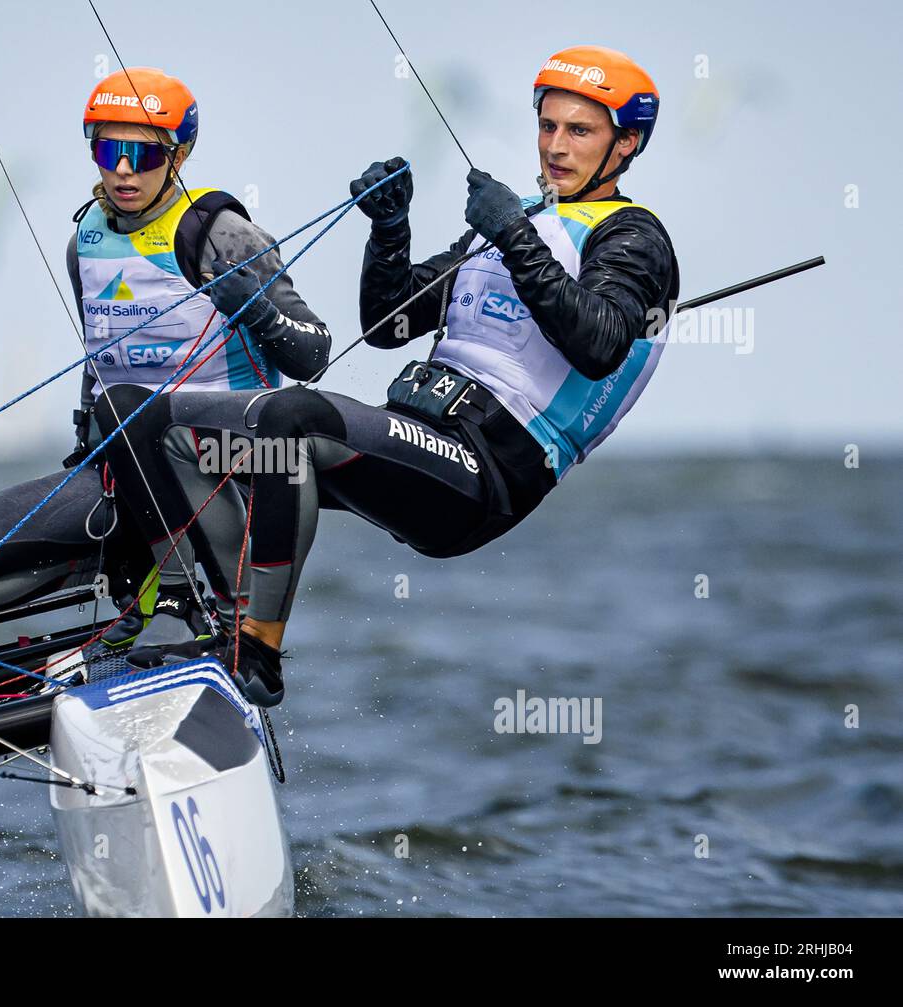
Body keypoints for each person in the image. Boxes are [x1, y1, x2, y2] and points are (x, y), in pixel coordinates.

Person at [96, 45, 680, 706]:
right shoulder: (520, 218)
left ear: (626, 144)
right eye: (548, 126)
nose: (556, 146)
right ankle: (172, 616)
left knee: (292, 420)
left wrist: (514, 235)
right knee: (140, 416)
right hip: (412, 436)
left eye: (580, 131)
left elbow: (598, 343)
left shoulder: (634, 238)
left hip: (479, 477)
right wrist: (390, 228)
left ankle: (254, 653)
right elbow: (389, 323)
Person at [0, 67, 331, 650]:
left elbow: (313, 354)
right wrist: (88, 446)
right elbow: (99, 362)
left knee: (147, 422)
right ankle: (125, 570)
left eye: (142, 154)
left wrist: (252, 310)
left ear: (179, 156)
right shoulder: (88, 239)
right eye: (109, 150)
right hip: (123, 475)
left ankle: (223, 621)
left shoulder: (222, 234)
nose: (124, 170)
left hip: (227, 468)